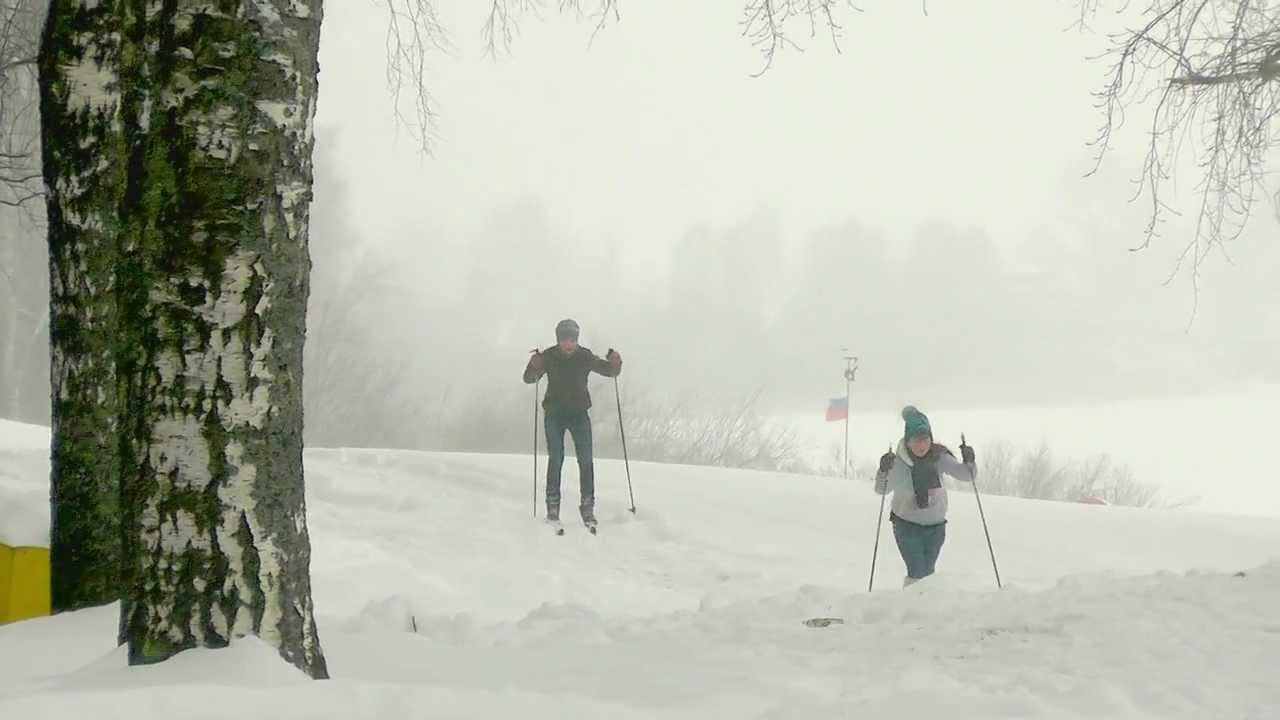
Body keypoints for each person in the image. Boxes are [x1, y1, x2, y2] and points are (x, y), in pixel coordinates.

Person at [522, 319, 622, 529]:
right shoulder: (548, 357)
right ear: (558, 340)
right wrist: (533, 366)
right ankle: (552, 506)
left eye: (572, 340)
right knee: (556, 458)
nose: (569, 344)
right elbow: (530, 379)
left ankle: (587, 507)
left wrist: (615, 362)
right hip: (554, 414)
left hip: (579, 415)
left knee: (586, 460)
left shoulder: (584, 356)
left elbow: (610, 372)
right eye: (565, 340)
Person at [874, 405, 977, 586]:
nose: (920, 445)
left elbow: (966, 476)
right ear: (907, 441)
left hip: (936, 529)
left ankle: (924, 609)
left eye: (924, 439)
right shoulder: (899, 463)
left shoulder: (939, 458)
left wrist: (970, 461)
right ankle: (913, 609)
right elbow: (881, 489)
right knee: (917, 572)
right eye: (915, 440)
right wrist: (883, 470)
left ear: (930, 438)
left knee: (928, 574)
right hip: (907, 527)